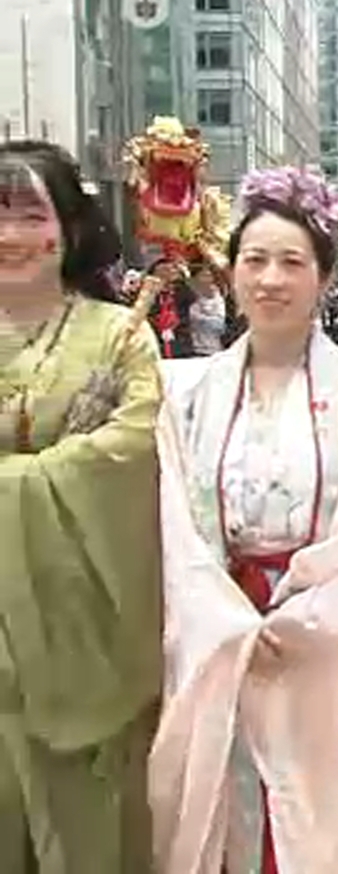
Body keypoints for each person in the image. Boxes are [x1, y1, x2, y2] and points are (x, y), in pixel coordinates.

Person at [146, 166, 338, 873]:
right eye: (254, 259)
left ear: (325, 277)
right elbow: (176, 531)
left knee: (324, 828)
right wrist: (227, 621)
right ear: (230, 271)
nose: (271, 279)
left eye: (293, 262)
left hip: (329, 649)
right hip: (220, 634)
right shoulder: (187, 397)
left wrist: (297, 621)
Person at [0, 140, 162, 872]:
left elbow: (132, 454)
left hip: (84, 639)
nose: (12, 236)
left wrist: (19, 480)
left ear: (67, 226)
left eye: (32, 215)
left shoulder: (121, 337)